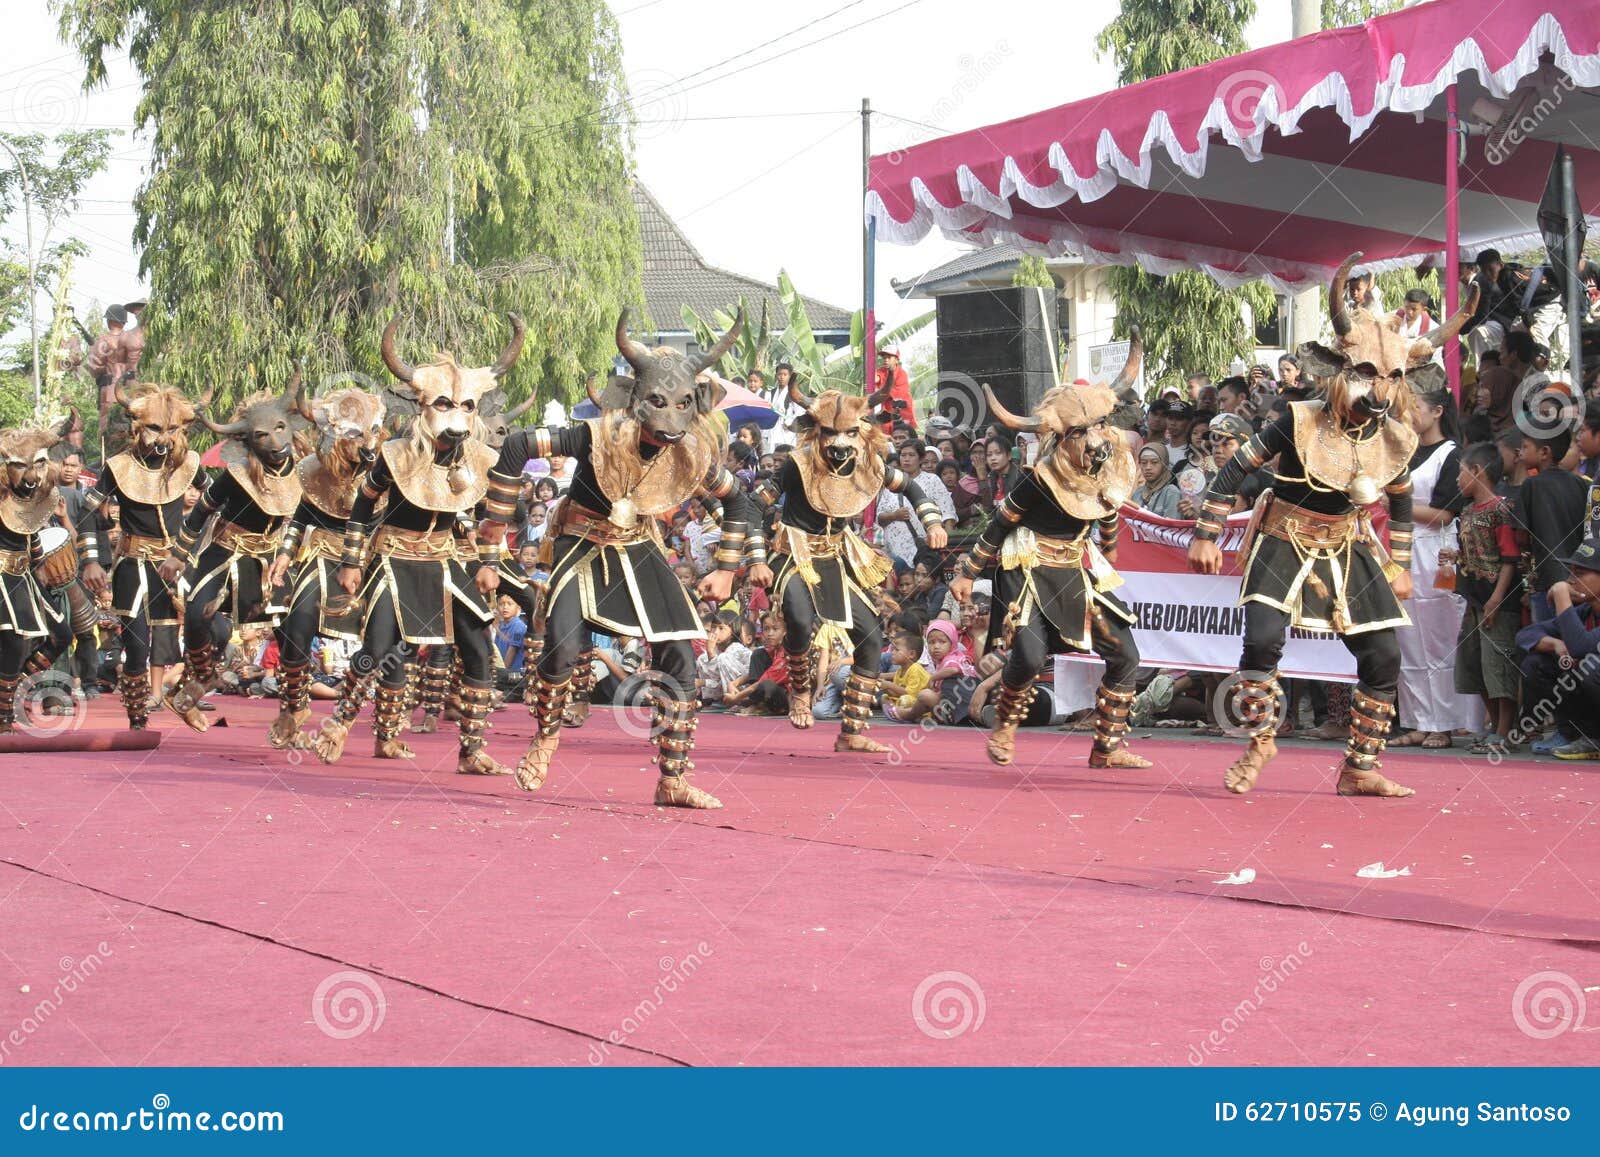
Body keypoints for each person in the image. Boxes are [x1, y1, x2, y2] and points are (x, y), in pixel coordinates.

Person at [1189, 254, 1475, 798]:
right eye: (1369, 374)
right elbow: (1233, 469)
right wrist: (1206, 532)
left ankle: (1360, 767)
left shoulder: (1393, 437)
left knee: (1384, 655)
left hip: (1349, 546)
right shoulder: (1296, 419)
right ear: (1344, 370)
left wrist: (1395, 561)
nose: (1380, 389)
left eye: (1391, 378)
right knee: (1263, 642)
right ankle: (1260, 742)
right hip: (1282, 538)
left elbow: (1401, 496)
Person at [484, 311, 761, 809]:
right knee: (563, 650)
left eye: (680, 406)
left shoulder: (690, 454)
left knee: (681, 653)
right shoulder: (592, 437)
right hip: (581, 544)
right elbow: (519, 445)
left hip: (640, 547)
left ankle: (671, 779)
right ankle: (546, 735)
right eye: (657, 404)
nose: (667, 421)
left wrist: (725, 568)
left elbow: (740, 501)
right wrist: (491, 545)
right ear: (633, 400)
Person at [313, 316, 524, 777]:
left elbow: (492, 519)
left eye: (467, 406)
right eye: (445, 404)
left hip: (445, 561)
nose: (456, 415)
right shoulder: (394, 455)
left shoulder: (481, 460)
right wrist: (351, 560)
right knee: (379, 644)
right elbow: (363, 506)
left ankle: (472, 751)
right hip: (393, 558)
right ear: (424, 407)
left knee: (475, 641)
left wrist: (489, 561)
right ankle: (341, 724)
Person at [949, 380, 1150, 770]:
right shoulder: (1039, 477)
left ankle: (1107, 749)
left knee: (1127, 654)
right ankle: (1005, 727)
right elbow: (1000, 524)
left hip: (1073, 566)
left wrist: (1107, 556)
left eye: (1099, 425)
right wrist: (968, 575)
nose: (1094, 439)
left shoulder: (1113, 464)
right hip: (1025, 562)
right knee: (1029, 655)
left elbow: (1107, 511)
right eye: (1081, 432)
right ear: (1063, 438)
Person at [752, 382, 948, 753]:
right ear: (817, 431)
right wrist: (755, 557)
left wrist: (934, 523)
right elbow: (752, 504)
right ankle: (799, 690)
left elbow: (913, 488)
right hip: (793, 552)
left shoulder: (868, 463)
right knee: (796, 614)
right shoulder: (798, 465)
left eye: (849, 433)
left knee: (871, 637)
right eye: (830, 433)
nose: (839, 442)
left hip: (839, 558)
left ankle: (852, 731)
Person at [163, 378, 306, 732]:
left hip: (273, 556)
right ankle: (195, 684)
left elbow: (306, 520)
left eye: (280, 429)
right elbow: (200, 512)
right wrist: (179, 555)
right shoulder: (236, 474)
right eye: (263, 435)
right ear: (247, 441)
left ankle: (292, 709)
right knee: (197, 617)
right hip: (225, 551)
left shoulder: (305, 473)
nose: (276, 441)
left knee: (292, 630)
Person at [75, 382, 205, 730]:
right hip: (133, 564)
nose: (164, 438)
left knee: (212, 629)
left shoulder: (191, 464)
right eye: (155, 429)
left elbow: (214, 501)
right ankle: (137, 718)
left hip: (176, 564)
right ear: (139, 428)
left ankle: (182, 692)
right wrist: (90, 561)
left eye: (172, 430)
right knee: (136, 643)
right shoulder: (118, 466)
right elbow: (87, 513)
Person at [1391, 386, 1478, 749]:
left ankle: (1444, 722)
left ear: (1438, 412)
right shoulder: (1404, 452)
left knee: (1440, 639)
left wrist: (1396, 505)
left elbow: (1445, 513)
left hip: (1436, 550)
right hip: (1401, 549)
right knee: (1407, 639)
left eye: (1416, 407)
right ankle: (1417, 720)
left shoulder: (1450, 454)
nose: (1409, 414)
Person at [1452, 444, 1523, 753]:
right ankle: (1493, 724)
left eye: (1461, 472)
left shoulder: (1501, 509)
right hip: (1474, 598)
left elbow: (1510, 558)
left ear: (1477, 472)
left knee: (1498, 665)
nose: (1457, 479)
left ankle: (1505, 730)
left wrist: (1496, 598)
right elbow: (1474, 552)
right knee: (1473, 664)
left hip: (1499, 601)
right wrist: (1453, 555)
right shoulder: (1467, 511)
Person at [1514, 534, 1600, 760]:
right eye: (1571, 573)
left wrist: (1562, 595)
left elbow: (1581, 647)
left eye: (1579, 574)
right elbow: (1525, 635)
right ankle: (1576, 734)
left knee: (1589, 667)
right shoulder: (1586, 611)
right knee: (1536, 663)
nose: (1571, 580)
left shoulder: (1569, 598)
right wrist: (1554, 643)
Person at [1517, 427, 1588, 624]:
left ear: (1544, 452)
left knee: (1546, 634)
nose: (1520, 452)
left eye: (1525, 446)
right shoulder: (1581, 484)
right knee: (1575, 636)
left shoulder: (1531, 485)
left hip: (1546, 579)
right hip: (1578, 577)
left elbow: (1521, 537)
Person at [878, 630, 930, 721]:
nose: (892, 653)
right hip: (904, 698)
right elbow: (896, 693)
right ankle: (895, 711)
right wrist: (885, 687)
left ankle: (902, 713)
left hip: (917, 701)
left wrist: (890, 685)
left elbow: (909, 693)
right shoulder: (900, 670)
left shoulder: (915, 668)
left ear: (911, 654)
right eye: (892, 649)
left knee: (905, 699)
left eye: (897, 650)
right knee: (884, 697)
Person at [868, 348, 915, 434]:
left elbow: (897, 395)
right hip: (887, 414)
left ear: (896, 360)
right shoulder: (882, 370)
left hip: (902, 414)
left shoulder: (902, 374)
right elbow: (874, 379)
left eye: (889, 357)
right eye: (884, 358)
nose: (886, 360)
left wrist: (878, 392)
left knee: (903, 436)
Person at [1130, 444, 1181, 517]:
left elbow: (1171, 525)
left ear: (1164, 464)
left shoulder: (1171, 493)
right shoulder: (1137, 493)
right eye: (1143, 463)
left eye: (1154, 462)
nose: (1148, 467)